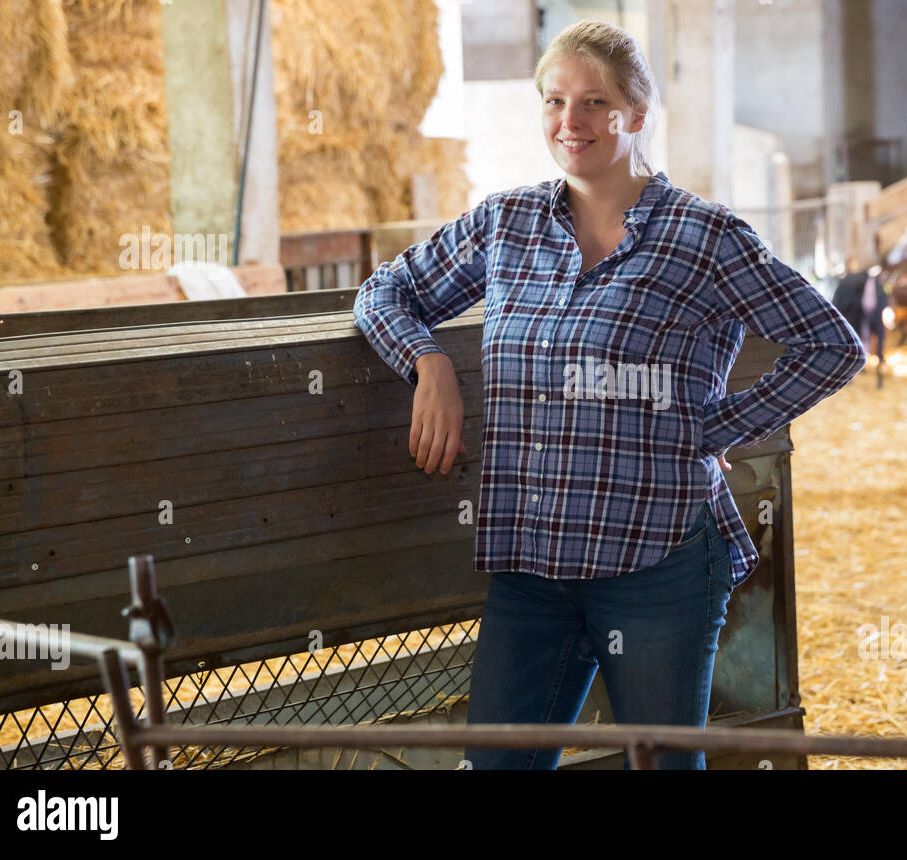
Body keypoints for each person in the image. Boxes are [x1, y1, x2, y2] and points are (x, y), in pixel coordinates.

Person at [353, 20, 866, 769]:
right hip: (530, 566)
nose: (572, 121)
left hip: (656, 564)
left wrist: (712, 426)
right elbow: (384, 292)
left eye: (595, 102)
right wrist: (428, 363)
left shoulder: (705, 238)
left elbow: (832, 344)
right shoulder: (507, 224)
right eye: (555, 101)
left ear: (637, 113)